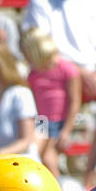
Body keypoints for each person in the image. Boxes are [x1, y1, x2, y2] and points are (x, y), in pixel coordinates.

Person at [22, 28, 80, 177]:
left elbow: (75, 101)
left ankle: (59, 189)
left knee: (48, 157)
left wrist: (66, 130)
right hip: (41, 122)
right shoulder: (34, 73)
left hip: (60, 121)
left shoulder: (67, 69)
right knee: (35, 154)